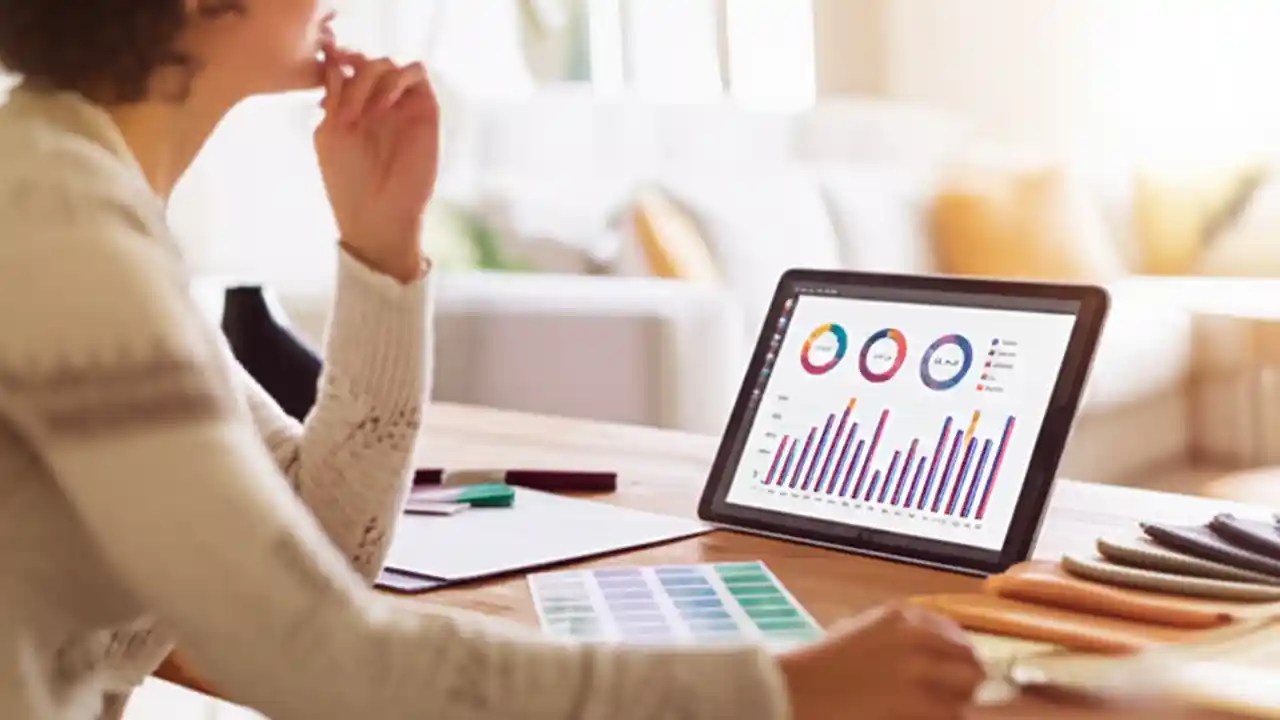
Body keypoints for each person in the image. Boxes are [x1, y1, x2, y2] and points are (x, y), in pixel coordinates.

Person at [0, 2, 985, 719]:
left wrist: (382, 251)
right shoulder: (58, 226)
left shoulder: (76, 191)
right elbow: (307, 653)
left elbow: (323, 549)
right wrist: (778, 690)